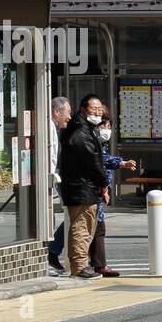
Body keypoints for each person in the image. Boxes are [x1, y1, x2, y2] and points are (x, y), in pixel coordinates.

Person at [57, 94, 109, 279]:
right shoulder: (80, 132)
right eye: (93, 109)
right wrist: (104, 182)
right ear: (82, 110)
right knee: (81, 227)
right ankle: (79, 267)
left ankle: (81, 264)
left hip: (85, 186)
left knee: (85, 227)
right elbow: (92, 161)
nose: (97, 112)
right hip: (81, 187)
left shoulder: (86, 129)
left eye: (99, 109)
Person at [89, 111, 137, 277]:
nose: (107, 130)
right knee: (96, 228)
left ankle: (96, 263)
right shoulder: (92, 142)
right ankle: (98, 264)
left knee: (90, 226)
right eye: (104, 126)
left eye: (109, 127)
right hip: (94, 190)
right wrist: (122, 163)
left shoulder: (99, 144)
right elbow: (102, 162)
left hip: (99, 189)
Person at [47, 96, 72, 274]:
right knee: (72, 214)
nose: (69, 117)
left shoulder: (55, 128)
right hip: (54, 177)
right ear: (57, 112)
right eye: (67, 113)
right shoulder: (50, 127)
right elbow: (52, 158)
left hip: (56, 177)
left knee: (70, 214)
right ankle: (53, 251)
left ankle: (53, 251)